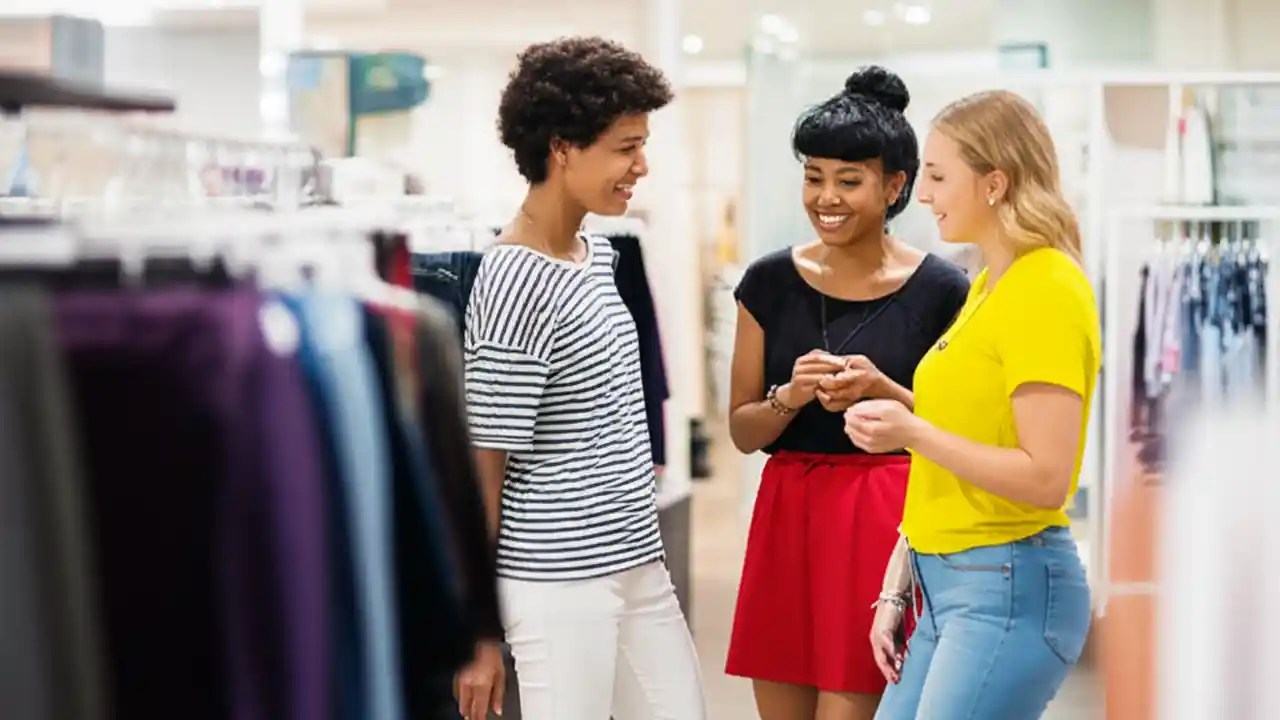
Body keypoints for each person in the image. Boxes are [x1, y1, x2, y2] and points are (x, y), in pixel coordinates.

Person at [454, 37, 706, 720]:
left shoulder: (594, 255)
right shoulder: (514, 276)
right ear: (563, 148)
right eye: (626, 147)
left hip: (636, 559)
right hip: (558, 580)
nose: (641, 166)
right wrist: (477, 632)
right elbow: (485, 463)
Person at [725, 66, 969, 720]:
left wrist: (885, 391)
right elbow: (743, 431)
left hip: (883, 518)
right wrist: (790, 396)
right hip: (787, 514)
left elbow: (964, 433)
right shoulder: (768, 282)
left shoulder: (942, 291)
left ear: (895, 186)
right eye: (814, 177)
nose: (826, 197)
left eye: (849, 181)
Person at [847, 90, 1100, 720]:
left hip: (1007, 588)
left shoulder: (1046, 288)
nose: (922, 195)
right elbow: (966, 433)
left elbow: (1046, 477)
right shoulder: (990, 283)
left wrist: (911, 432)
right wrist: (898, 585)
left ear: (995, 183)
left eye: (937, 176)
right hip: (949, 588)